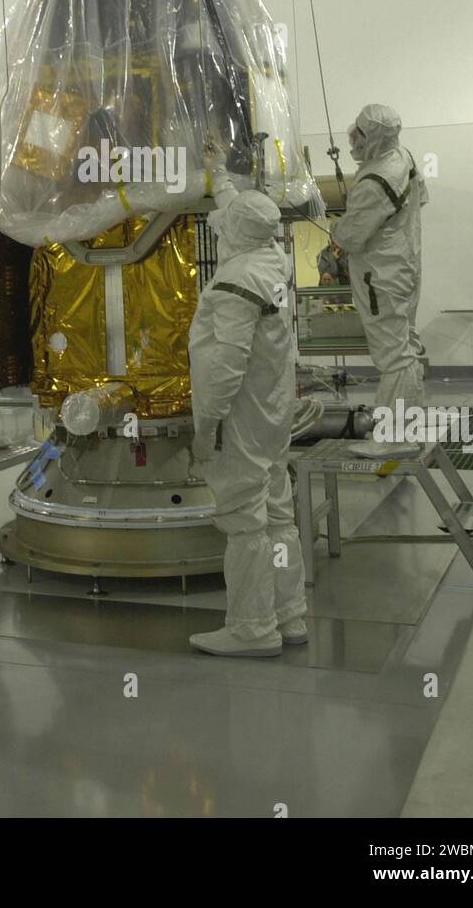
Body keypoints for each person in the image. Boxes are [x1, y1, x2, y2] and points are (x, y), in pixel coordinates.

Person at [187, 174, 307, 657]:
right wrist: (220, 180)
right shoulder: (273, 262)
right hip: (273, 411)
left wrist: (207, 425)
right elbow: (241, 217)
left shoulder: (236, 280)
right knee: (278, 513)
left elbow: (226, 363)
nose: (218, 231)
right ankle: (289, 613)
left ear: (236, 232)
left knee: (244, 521)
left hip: (239, 418)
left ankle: (252, 628)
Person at [329, 104, 428, 426]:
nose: (352, 140)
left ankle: (393, 435)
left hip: (380, 274)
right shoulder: (403, 156)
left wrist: (337, 228)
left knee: (392, 356)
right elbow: (422, 197)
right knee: (405, 346)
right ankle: (410, 424)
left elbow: (351, 238)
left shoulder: (374, 181)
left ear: (369, 138)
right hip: (404, 263)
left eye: (358, 134)